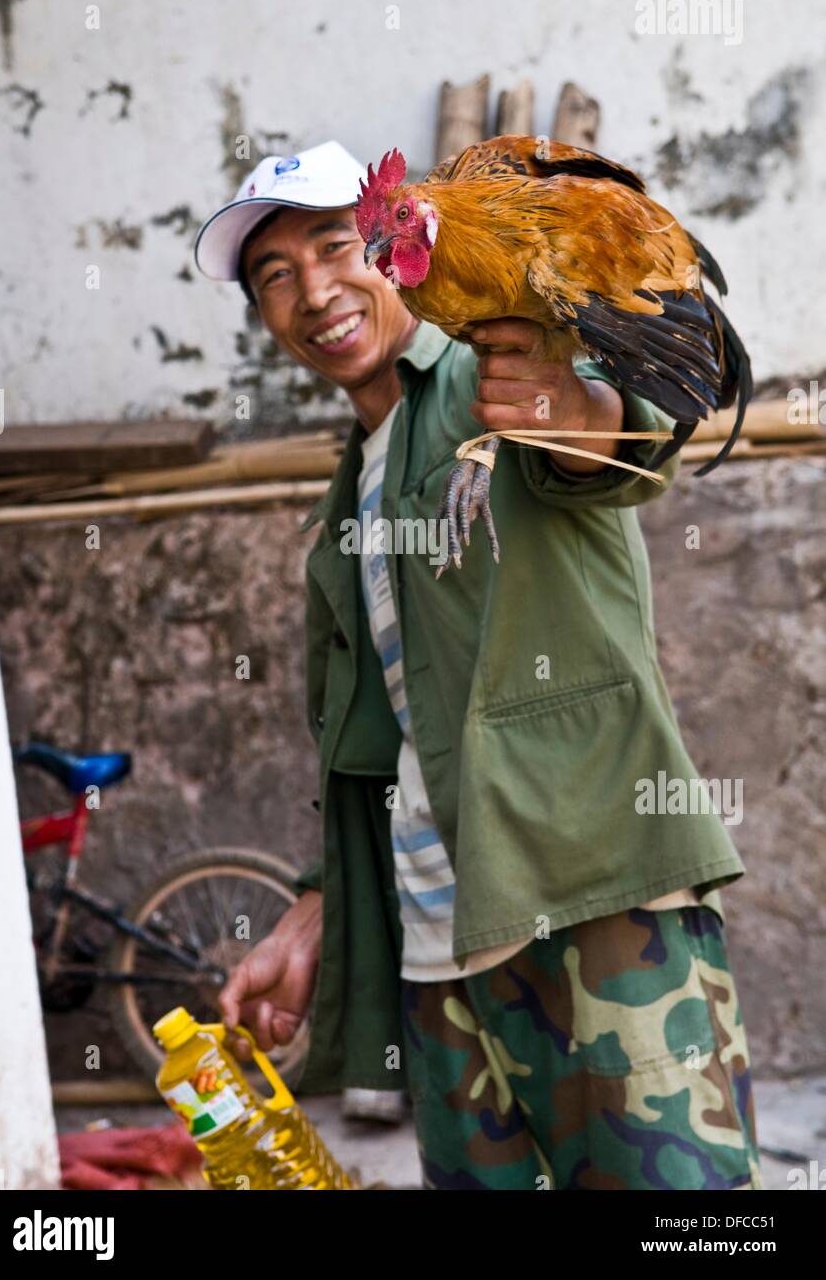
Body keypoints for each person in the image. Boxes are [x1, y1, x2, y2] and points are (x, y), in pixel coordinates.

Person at [195, 139, 763, 1190]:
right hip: (436, 950)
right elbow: (385, 736)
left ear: (392, 248)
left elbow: (616, 439)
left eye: (333, 246)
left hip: (592, 908)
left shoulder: (494, 367)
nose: (314, 290)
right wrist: (316, 906)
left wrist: (572, 408)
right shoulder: (347, 499)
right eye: (274, 276)